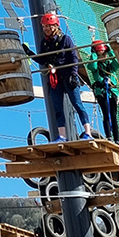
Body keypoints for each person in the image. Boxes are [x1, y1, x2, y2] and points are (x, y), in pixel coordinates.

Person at [28, 11, 91, 140]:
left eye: (48, 26)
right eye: (44, 27)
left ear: (55, 26)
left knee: (77, 104)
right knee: (57, 108)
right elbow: (43, 59)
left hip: (68, 76)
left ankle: (88, 132)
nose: (46, 29)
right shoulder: (45, 43)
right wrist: (29, 53)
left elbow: (73, 58)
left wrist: (74, 74)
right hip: (55, 79)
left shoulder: (65, 39)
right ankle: (62, 135)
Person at [84, 38, 119, 142]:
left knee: (113, 116)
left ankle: (117, 139)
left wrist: (109, 51)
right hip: (101, 92)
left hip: (111, 92)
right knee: (106, 114)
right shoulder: (96, 66)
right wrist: (94, 54)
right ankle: (109, 137)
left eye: (102, 52)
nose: (101, 54)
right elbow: (92, 66)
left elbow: (117, 62)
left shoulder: (110, 65)